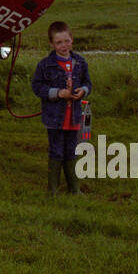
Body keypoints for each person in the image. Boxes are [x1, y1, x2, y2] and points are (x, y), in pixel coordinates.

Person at [31, 21, 92, 195]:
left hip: (74, 117)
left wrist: (83, 91)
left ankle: (74, 188)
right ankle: (53, 190)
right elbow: (37, 87)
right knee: (56, 150)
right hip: (54, 118)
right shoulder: (45, 65)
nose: (63, 46)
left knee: (72, 150)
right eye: (59, 42)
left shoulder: (80, 62)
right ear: (51, 44)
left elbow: (88, 82)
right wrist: (57, 93)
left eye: (66, 41)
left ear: (72, 39)